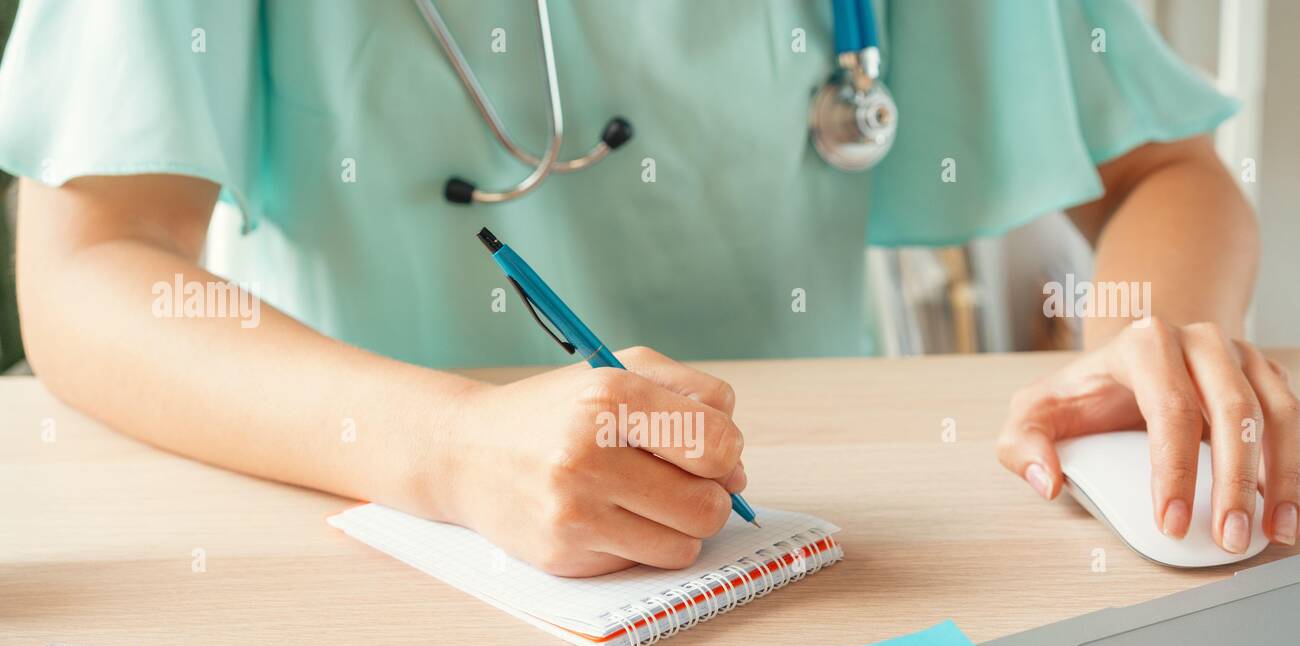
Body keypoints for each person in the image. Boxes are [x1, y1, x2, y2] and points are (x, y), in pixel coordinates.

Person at [0, 0, 1289, 577]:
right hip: (359, 528)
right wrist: (449, 447)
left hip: (804, 537)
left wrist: (1144, 342)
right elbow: (92, 265)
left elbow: (1164, 174)